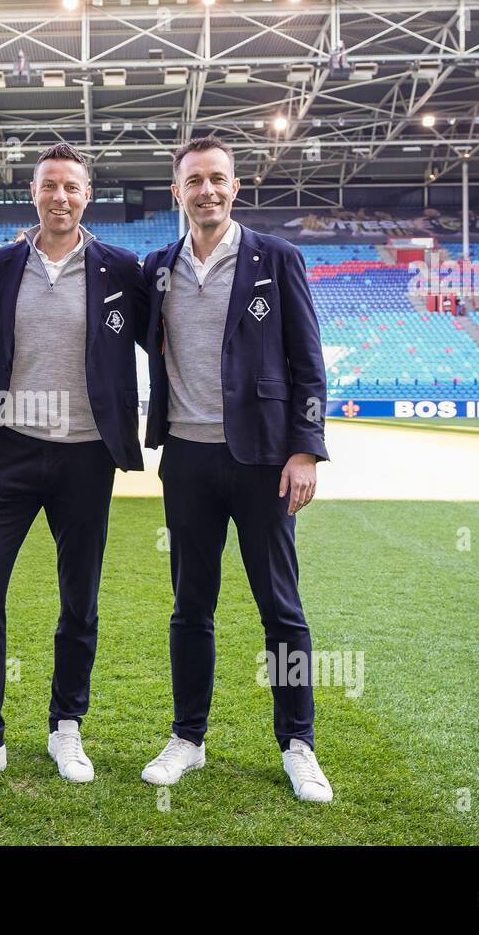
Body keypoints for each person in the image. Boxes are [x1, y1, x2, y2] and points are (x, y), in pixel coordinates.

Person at [0, 143, 147, 792]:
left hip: (86, 454)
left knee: (79, 599)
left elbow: (170, 338)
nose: (60, 197)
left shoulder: (119, 269)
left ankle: (65, 725)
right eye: (49, 185)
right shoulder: (1, 268)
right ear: (33, 192)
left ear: (87, 196)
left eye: (71, 187)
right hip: (10, 449)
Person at [138, 136, 335, 802]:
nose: (207, 191)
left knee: (281, 608)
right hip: (186, 460)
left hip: (263, 463)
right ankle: (187, 738)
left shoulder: (276, 259)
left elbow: (308, 361)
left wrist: (305, 447)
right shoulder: (158, 268)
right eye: (194, 181)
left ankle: (299, 743)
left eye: (217, 179)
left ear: (235, 185)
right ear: (178, 192)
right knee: (191, 605)